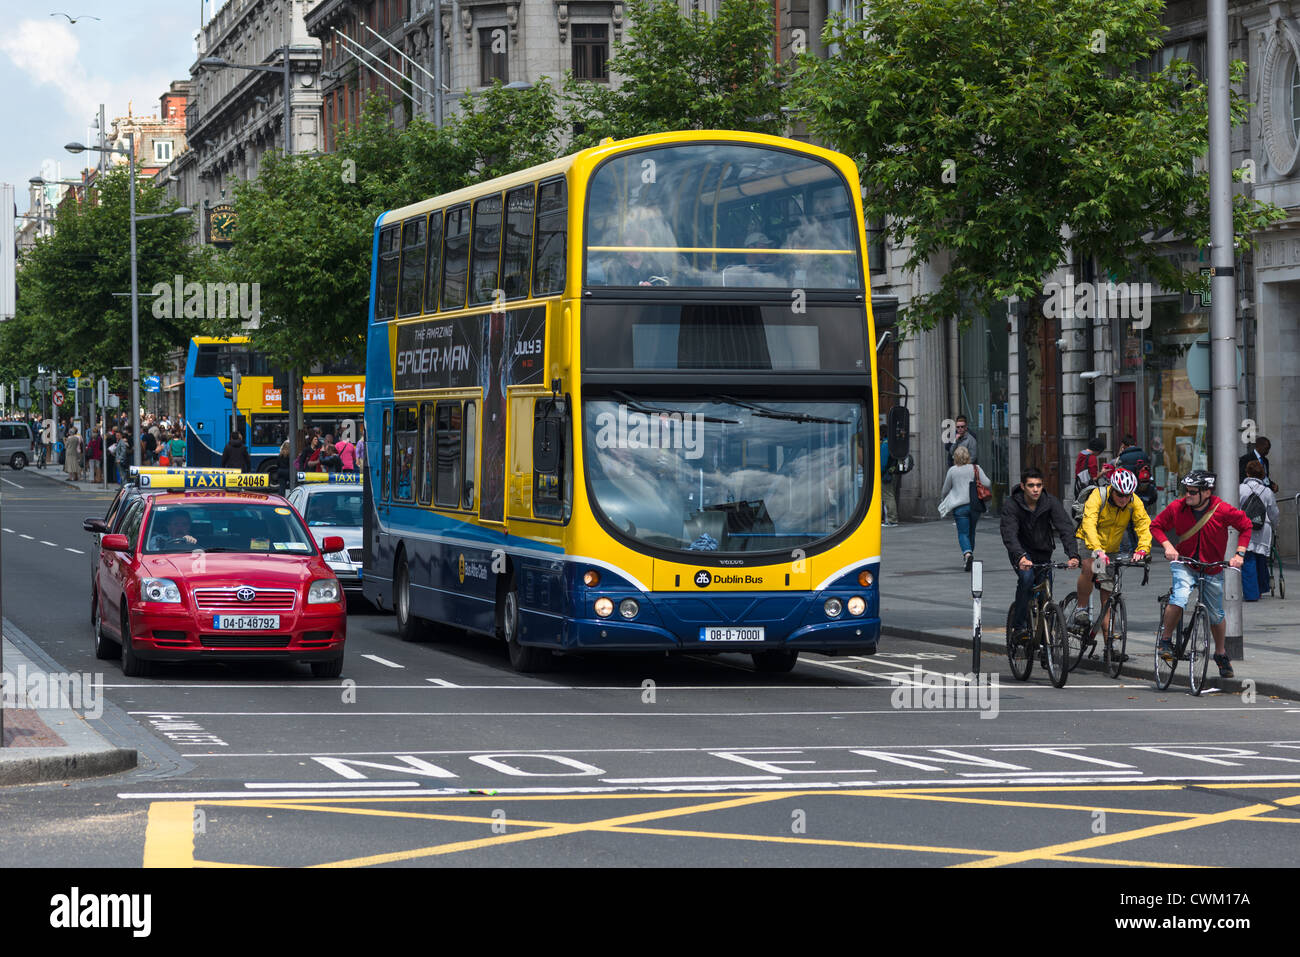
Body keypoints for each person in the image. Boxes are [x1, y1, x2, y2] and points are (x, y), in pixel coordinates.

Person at [1149, 470, 1254, 679]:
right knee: (1179, 597)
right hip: (1185, 564)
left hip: (1212, 566)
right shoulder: (1177, 507)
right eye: (1186, 490)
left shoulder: (1222, 509)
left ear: (1206, 493)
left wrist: (1239, 554)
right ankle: (1166, 641)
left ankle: (1221, 653)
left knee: (1215, 615)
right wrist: (1168, 546)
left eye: (1192, 492)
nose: (1187, 495)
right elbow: (1156, 526)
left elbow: (1246, 525)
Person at [1000, 466, 1081, 643]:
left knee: (1047, 596)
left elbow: (1065, 527)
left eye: (1038, 485)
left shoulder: (1050, 502)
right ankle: (1019, 627)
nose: (1035, 489)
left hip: (1043, 552)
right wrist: (1021, 556)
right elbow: (1009, 533)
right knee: (1027, 580)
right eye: (1031, 485)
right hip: (1021, 553)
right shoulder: (1012, 505)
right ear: (1023, 486)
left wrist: (1073, 555)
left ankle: (1046, 642)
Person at [1071, 467, 1151, 643]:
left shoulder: (1133, 501)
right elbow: (1089, 523)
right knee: (1091, 566)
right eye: (1120, 495)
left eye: (1127, 495)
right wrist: (1098, 549)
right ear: (1112, 490)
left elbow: (1143, 525)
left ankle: (1109, 645)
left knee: (1108, 592)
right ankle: (1081, 608)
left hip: (1111, 549)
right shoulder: (1098, 496)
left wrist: (1142, 549)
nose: (1124, 499)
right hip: (1089, 542)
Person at [938, 446, 991, 571]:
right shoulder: (976, 468)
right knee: (971, 532)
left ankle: (967, 554)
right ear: (968, 456)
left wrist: (943, 498)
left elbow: (945, 488)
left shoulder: (952, 470)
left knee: (963, 533)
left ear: (955, 457)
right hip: (975, 505)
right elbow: (987, 483)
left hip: (959, 506)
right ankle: (969, 556)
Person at [1239, 460, 1280, 601]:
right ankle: (1262, 588)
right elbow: (1273, 512)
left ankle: (1251, 594)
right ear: (1262, 474)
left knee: (1248, 558)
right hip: (1263, 528)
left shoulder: (1240, 489)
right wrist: (1275, 526)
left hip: (1245, 527)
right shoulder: (1267, 491)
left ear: (1247, 473)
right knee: (1261, 558)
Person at [1072, 436, 1106, 501]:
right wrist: (1103, 472)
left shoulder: (1081, 454)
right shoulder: (1092, 458)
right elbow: (1094, 478)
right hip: (1088, 489)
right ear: (1097, 450)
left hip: (1079, 486)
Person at [879, 435, 898, 526]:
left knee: (887, 496)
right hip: (891, 472)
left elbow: (882, 462)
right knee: (889, 495)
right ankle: (891, 519)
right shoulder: (892, 443)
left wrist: (879, 472)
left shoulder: (885, 444)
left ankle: (892, 520)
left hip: (885, 474)